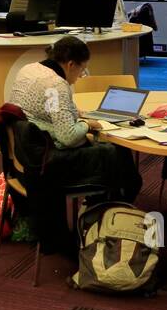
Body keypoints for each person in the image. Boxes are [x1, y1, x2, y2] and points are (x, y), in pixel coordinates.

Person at [8, 36, 143, 251]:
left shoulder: (30, 69)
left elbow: (46, 107)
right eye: (82, 70)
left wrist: (76, 113)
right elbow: (69, 137)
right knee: (118, 156)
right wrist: (87, 125)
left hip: (26, 156)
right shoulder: (56, 85)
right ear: (70, 64)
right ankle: (104, 219)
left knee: (110, 155)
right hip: (49, 160)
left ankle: (98, 209)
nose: (81, 76)